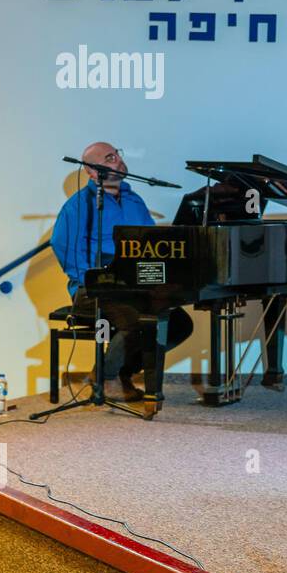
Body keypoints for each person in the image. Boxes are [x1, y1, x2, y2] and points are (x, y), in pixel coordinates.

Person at [50, 142, 193, 403]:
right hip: (91, 290)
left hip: (133, 287)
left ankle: (119, 373)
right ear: (93, 172)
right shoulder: (79, 205)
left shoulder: (135, 200)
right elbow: (63, 245)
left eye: (117, 155)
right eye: (109, 157)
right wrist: (91, 281)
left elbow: (150, 246)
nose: (118, 160)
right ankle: (107, 377)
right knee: (139, 316)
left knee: (180, 324)